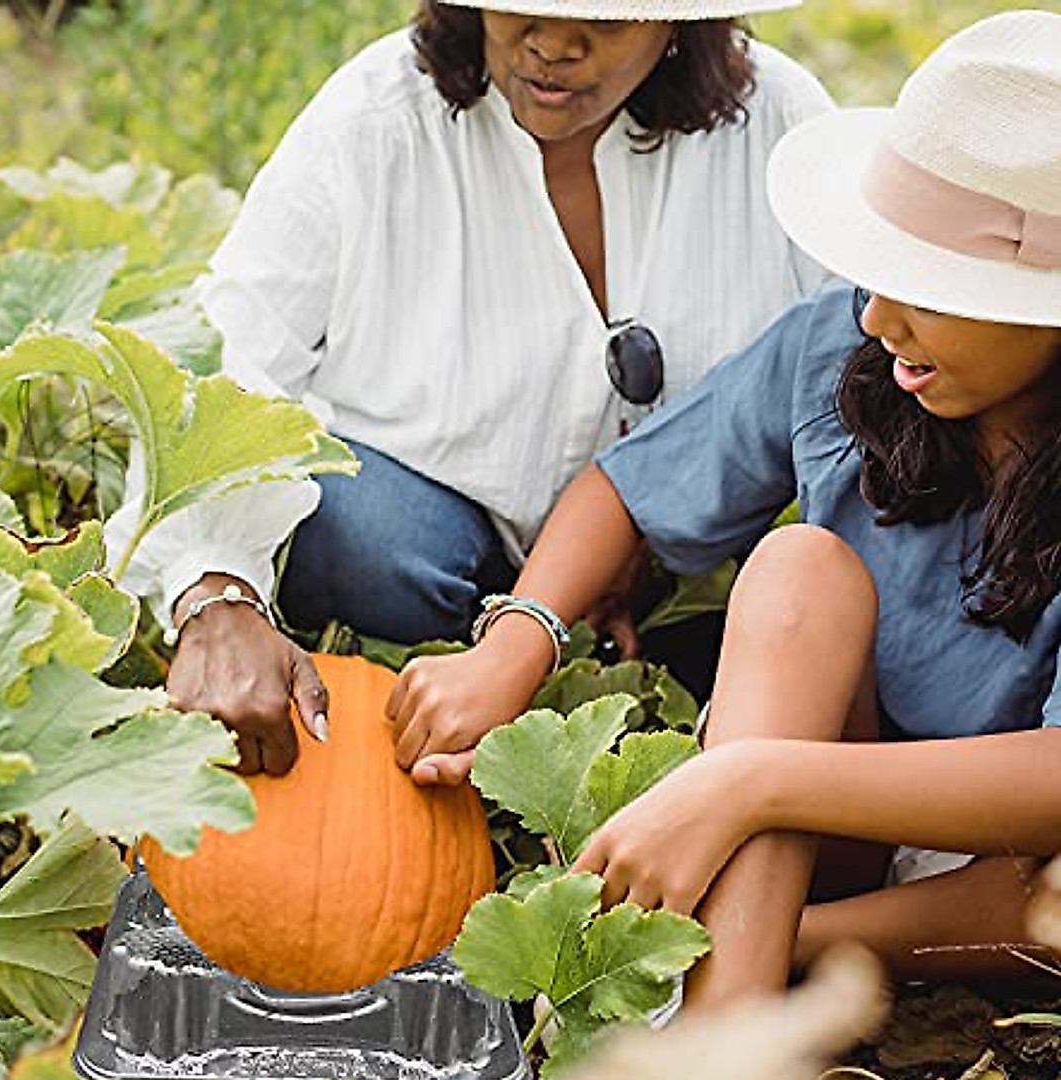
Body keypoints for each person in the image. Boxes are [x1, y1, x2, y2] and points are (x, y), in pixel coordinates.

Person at [387, 9, 1061, 1007]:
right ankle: (723, 1036)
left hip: (1008, 884)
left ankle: (765, 948)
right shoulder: (848, 350)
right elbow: (624, 487)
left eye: (930, 284)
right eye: (879, 269)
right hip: (829, 816)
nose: (878, 316)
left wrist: (747, 781)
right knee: (797, 570)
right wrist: (517, 640)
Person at [104, 0, 833, 775]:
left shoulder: (778, 127)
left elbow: (859, 364)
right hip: (430, 554)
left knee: (773, 599)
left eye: (609, 21)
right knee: (355, 533)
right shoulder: (376, 118)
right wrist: (214, 591)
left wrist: (660, 529)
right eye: (520, 6)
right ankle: (458, 672)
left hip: (678, 572)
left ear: (681, 21)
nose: (554, 44)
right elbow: (234, 349)